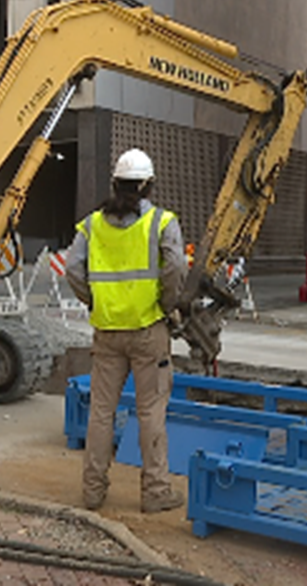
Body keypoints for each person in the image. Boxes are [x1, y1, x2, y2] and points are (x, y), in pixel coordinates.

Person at [65, 148, 188, 514]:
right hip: (149, 330)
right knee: (151, 410)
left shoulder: (91, 225)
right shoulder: (163, 223)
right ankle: (155, 492)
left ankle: (92, 492)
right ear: (149, 184)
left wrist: (94, 301)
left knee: (101, 411)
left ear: (115, 183)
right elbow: (176, 268)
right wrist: (167, 306)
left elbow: (73, 269)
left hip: (107, 330)